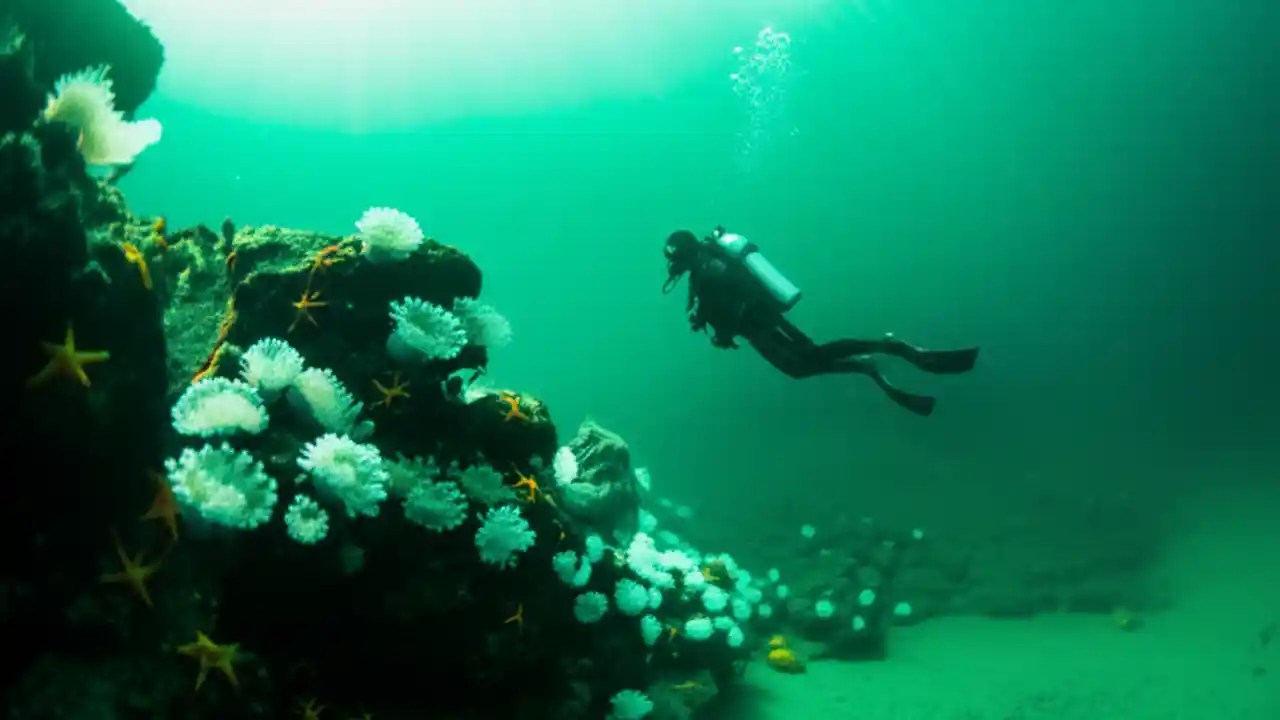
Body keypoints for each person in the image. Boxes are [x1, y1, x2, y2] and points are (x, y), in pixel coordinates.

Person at [662, 226, 979, 416]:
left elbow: (736, 295)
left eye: (674, 261)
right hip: (764, 323)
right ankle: (869, 361)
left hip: (763, 326)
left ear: (685, 255)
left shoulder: (708, 269)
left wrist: (723, 326)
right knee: (807, 362)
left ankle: (885, 350)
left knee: (807, 362)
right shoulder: (704, 267)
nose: (672, 268)